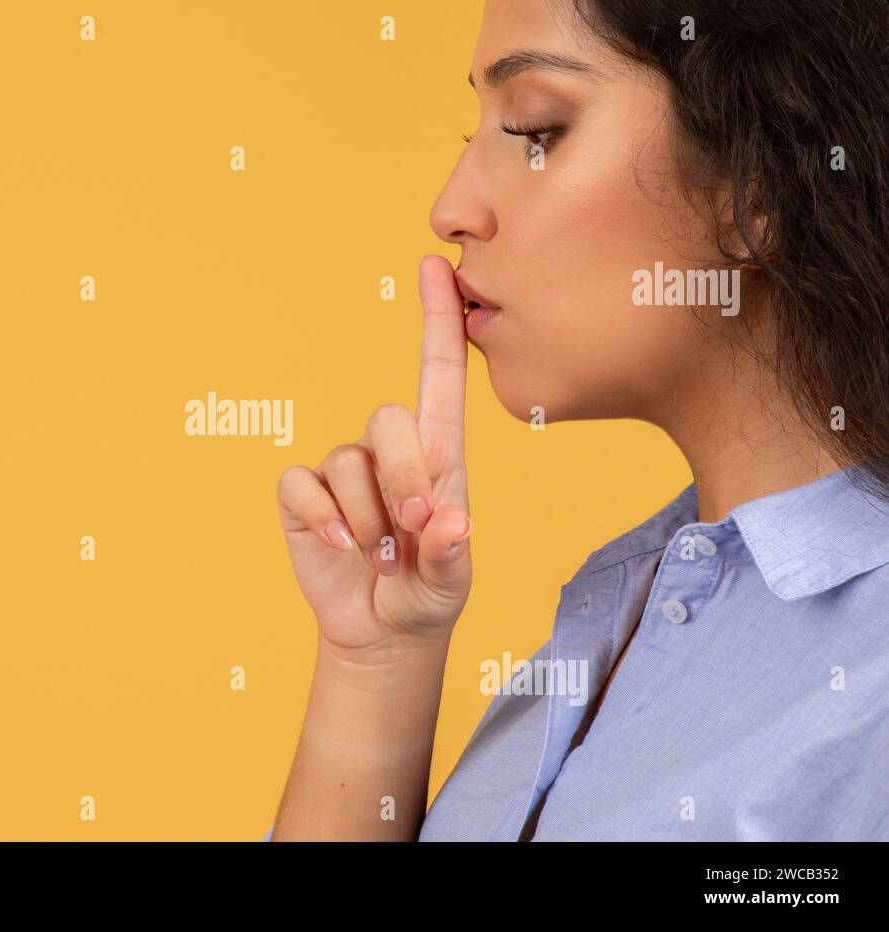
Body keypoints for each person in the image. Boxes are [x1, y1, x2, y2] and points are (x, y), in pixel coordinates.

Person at [264, 0, 889, 841]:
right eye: (474, 133)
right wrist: (375, 668)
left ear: (757, 190)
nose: (450, 208)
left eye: (533, 129)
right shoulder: (630, 601)